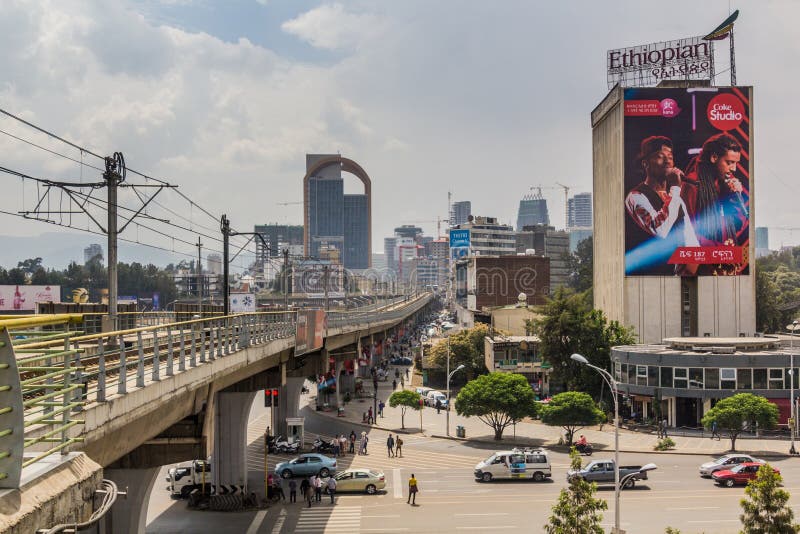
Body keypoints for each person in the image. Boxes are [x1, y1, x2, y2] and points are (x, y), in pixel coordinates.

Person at [624, 135, 699, 275]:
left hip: (678, 277)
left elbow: (691, 241)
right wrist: (676, 189)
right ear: (645, 163)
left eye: (670, 157)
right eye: (660, 156)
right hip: (649, 277)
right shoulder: (635, 197)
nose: (667, 162)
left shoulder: (676, 197)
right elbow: (659, 229)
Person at [681, 132, 749, 275]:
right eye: (729, 162)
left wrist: (736, 197)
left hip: (725, 265)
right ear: (713, 157)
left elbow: (738, 225)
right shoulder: (693, 184)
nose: (734, 169)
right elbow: (688, 232)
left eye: (736, 163)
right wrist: (721, 252)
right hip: (702, 267)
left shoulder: (725, 184)